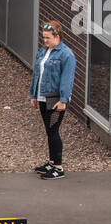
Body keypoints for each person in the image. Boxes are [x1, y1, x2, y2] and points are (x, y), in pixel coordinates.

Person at [30, 20, 76, 180]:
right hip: (43, 97)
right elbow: (37, 74)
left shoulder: (66, 55)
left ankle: (58, 167)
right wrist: (34, 95)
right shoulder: (44, 52)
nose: (45, 41)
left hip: (55, 100)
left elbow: (67, 79)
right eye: (44, 37)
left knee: (53, 131)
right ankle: (52, 162)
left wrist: (63, 100)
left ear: (58, 36)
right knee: (49, 131)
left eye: (48, 38)